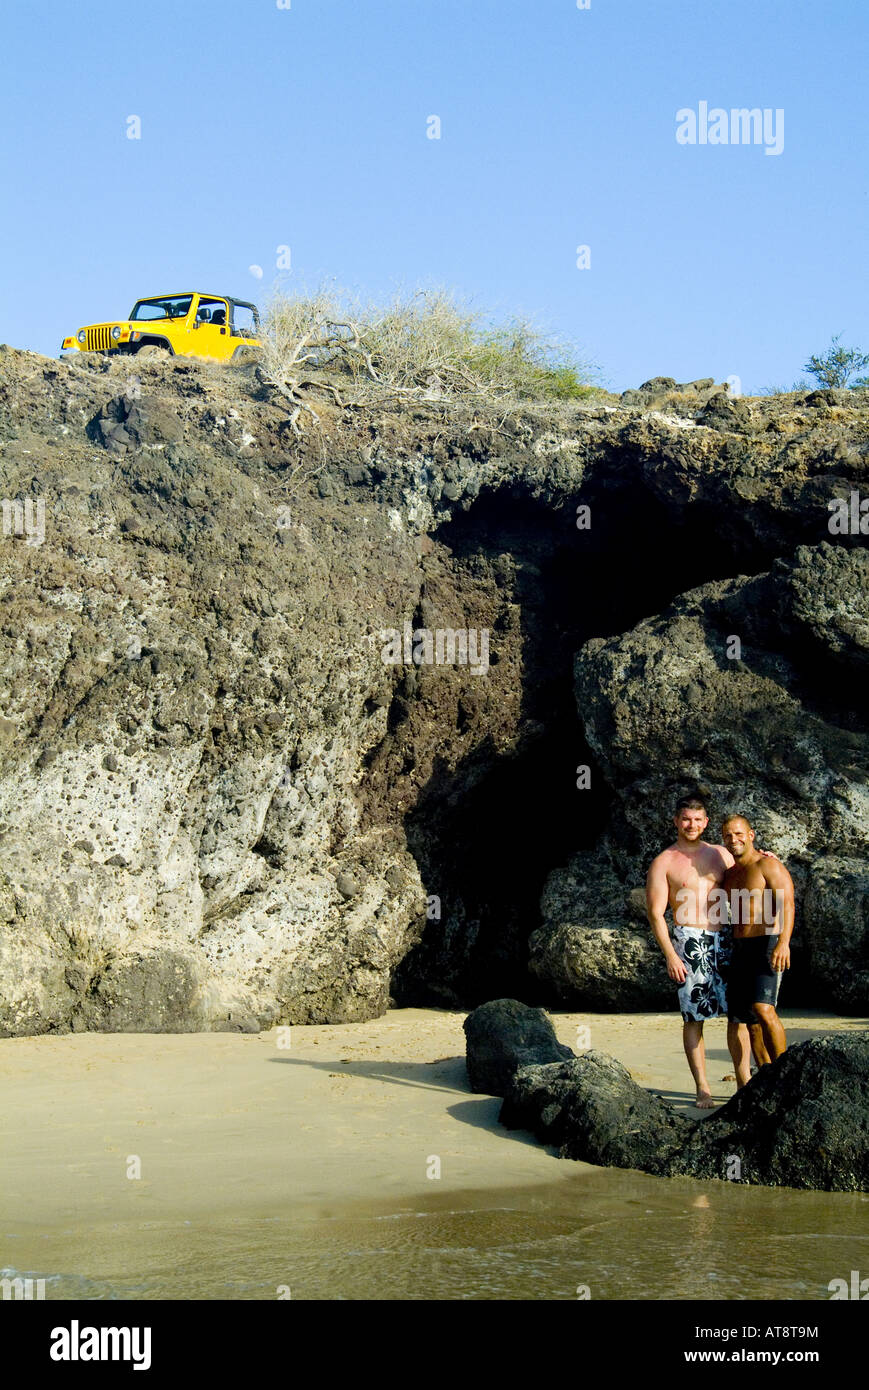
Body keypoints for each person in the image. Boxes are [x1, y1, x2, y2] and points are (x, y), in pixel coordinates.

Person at [646, 796, 745, 1108]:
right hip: (690, 941)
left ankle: (744, 1082)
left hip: (725, 938)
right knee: (694, 1017)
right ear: (676, 821)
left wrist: (765, 857)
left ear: (706, 822)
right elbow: (655, 914)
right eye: (686, 819)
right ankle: (703, 1088)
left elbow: (749, 873)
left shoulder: (720, 854)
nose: (692, 825)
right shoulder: (664, 861)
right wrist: (670, 955)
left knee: (738, 1014)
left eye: (698, 819)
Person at [721, 814, 794, 1087]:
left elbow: (788, 904)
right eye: (728, 835)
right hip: (740, 947)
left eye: (739, 833)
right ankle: (766, 1080)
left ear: (751, 835)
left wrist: (784, 942)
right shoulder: (729, 874)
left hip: (768, 942)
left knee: (764, 1009)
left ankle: (785, 1075)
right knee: (749, 1021)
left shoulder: (768, 865)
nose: (734, 839)